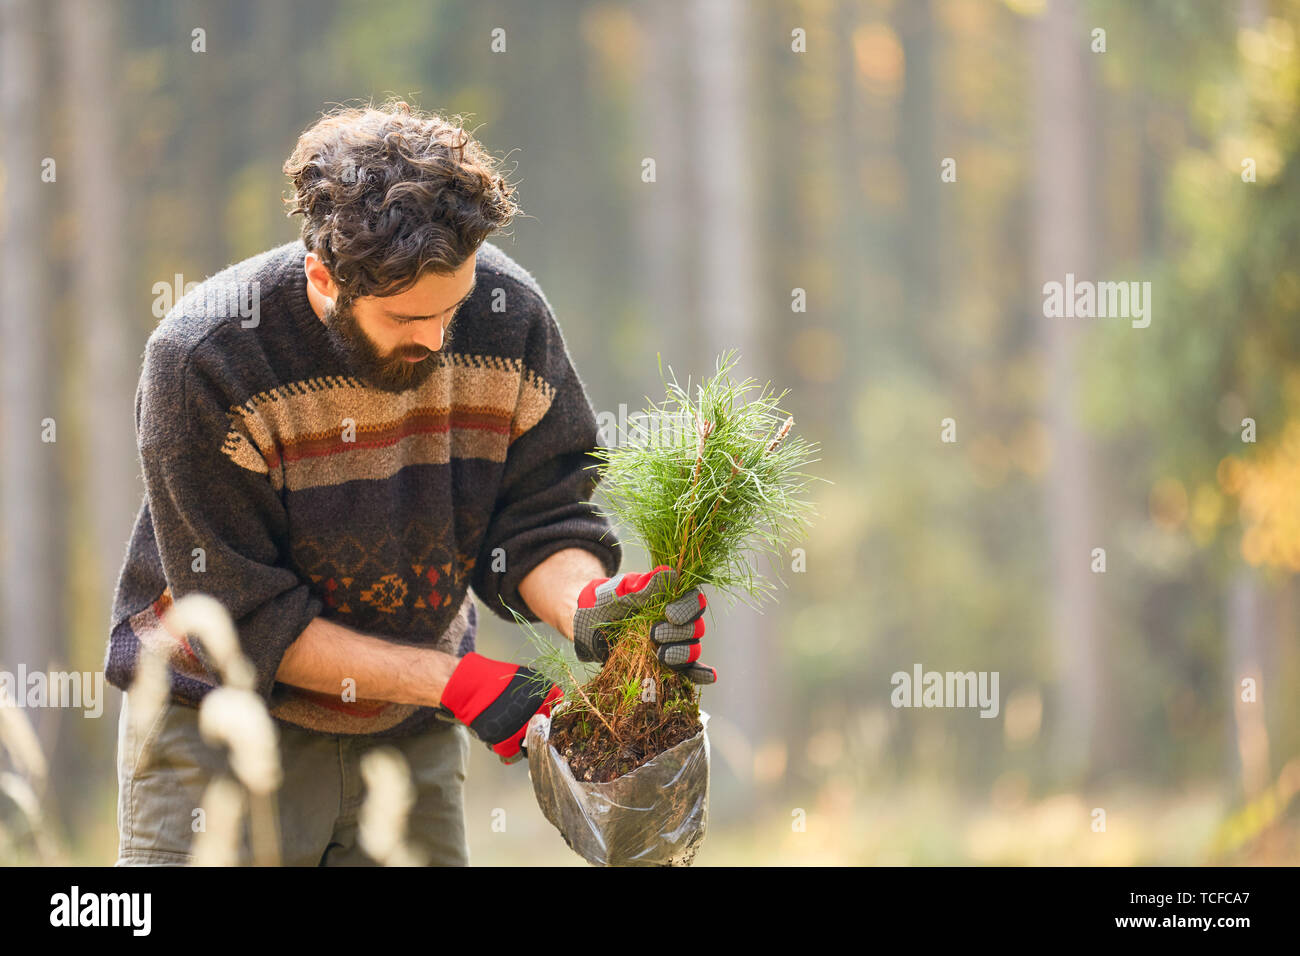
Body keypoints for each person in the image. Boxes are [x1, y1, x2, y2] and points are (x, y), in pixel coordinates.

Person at [105, 100, 712, 866]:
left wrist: (587, 604)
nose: (436, 338)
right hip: (220, 729)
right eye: (403, 319)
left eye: (451, 308)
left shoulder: (509, 315)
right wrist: (456, 682)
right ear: (324, 277)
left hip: (408, 735)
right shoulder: (204, 360)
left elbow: (541, 519)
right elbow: (247, 618)